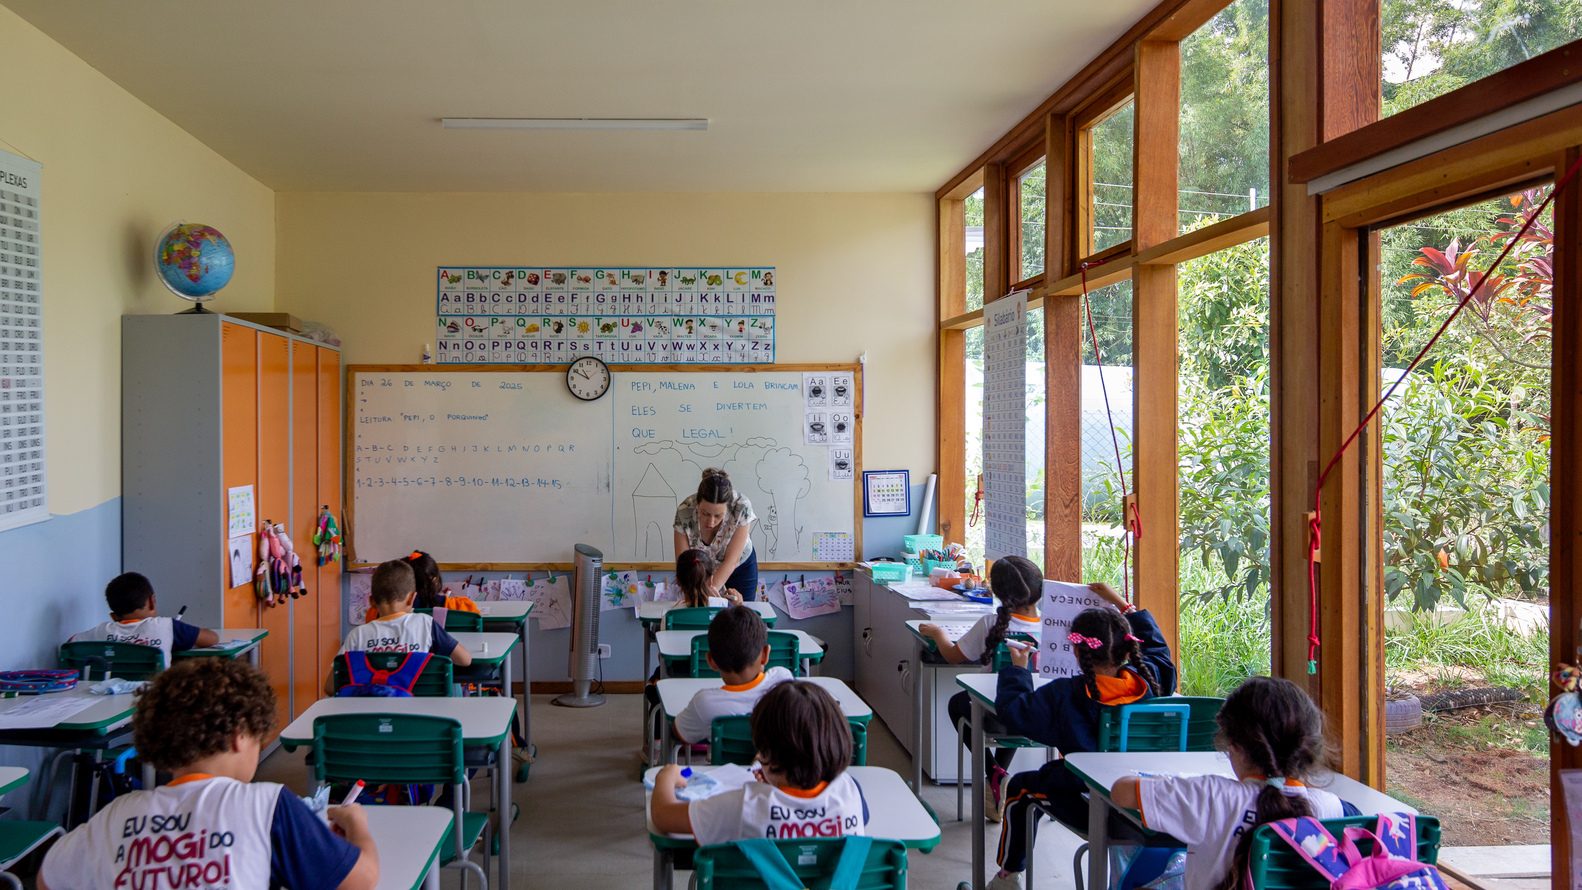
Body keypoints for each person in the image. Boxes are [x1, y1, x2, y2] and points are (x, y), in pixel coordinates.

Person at [38, 659, 378, 890]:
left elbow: (46, 879)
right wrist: (357, 822)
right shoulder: (267, 803)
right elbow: (361, 879)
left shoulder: (114, 814)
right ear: (239, 736)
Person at [985, 580, 1177, 889]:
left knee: (1021, 787)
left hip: (1090, 804)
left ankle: (1008, 875)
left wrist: (1018, 668)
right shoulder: (1152, 680)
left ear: (1075, 648)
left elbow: (1013, 712)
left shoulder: (1065, 695)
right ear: (1128, 648)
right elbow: (1159, 649)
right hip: (1148, 800)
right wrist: (1121, 603)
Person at [1109, 676, 1343, 890]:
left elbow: (1120, 791)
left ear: (1235, 745)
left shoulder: (1212, 796)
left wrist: (1169, 782)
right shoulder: (1330, 808)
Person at [651, 681, 868, 845]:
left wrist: (665, 776)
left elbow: (663, 816)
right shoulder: (852, 792)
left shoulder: (741, 806)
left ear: (765, 754)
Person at [917, 554, 1043, 821]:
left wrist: (938, 633)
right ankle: (997, 778)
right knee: (1019, 701)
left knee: (958, 703)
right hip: (1036, 717)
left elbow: (952, 656)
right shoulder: (1051, 628)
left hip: (994, 714)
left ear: (998, 592)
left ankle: (993, 772)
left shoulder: (991, 625)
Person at [327, 559, 471, 694]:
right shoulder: (426, 624)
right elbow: (465, 660)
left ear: (371, 601)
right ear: (412, 599)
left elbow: (330, 687)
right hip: (420, 716)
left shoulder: (357, 635)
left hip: (370, 715)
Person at [671, 606, 794, 745]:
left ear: (711, 661)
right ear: (765, 655)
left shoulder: (704, 703)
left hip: (726, 767)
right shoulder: (783, 681)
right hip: (774, 765)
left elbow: (679, 733)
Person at [70, 572, 219, 669]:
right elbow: (212, 639)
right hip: (154, 699)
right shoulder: (166, 626)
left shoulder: (102, 631)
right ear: (152, 601)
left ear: (114, 616)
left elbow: (69, 644)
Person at [673, 468, 759, 601]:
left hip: (739, 566)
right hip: (699, 569)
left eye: (719, 515)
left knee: (739, 613)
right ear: (697, 503)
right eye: (705, 513)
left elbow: (732, 560)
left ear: (729, 508)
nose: (711, 522)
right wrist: (695, 594)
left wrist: (709, 592)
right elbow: (683, 564)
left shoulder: (741, 506)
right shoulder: (685, 511)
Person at [361, 551, 479, 623]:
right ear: (434, 580)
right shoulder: (455, 607)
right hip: (444, 662)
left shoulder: (378, 611)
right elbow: (476, 618)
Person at [674, 548, 743, 608]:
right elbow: (742, 622)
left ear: (678, 581)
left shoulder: (672, 615)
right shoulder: (725, 607)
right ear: (710, 580)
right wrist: (739, 606)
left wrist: (675, 609)